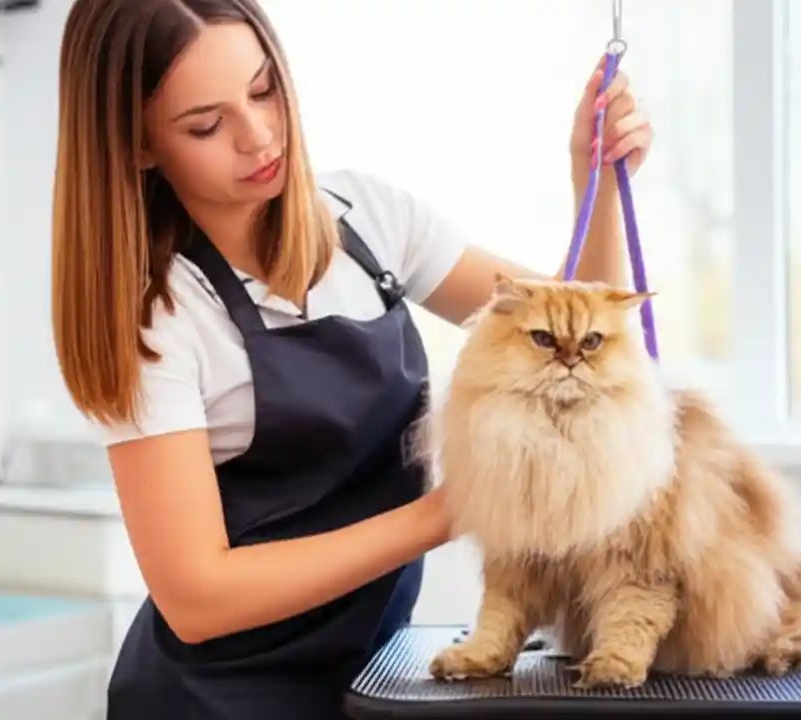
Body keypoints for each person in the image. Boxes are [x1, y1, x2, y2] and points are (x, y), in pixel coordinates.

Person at [50, 0, 653, 717]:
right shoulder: (160, 316)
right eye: (206, 125)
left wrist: (597, 184)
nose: (259, 135)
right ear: (141, 145)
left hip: (367, 678)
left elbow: (586, 327)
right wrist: (451, 510)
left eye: (263, 88)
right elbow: (196, 598)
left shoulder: (371, 222)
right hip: (213, 700)